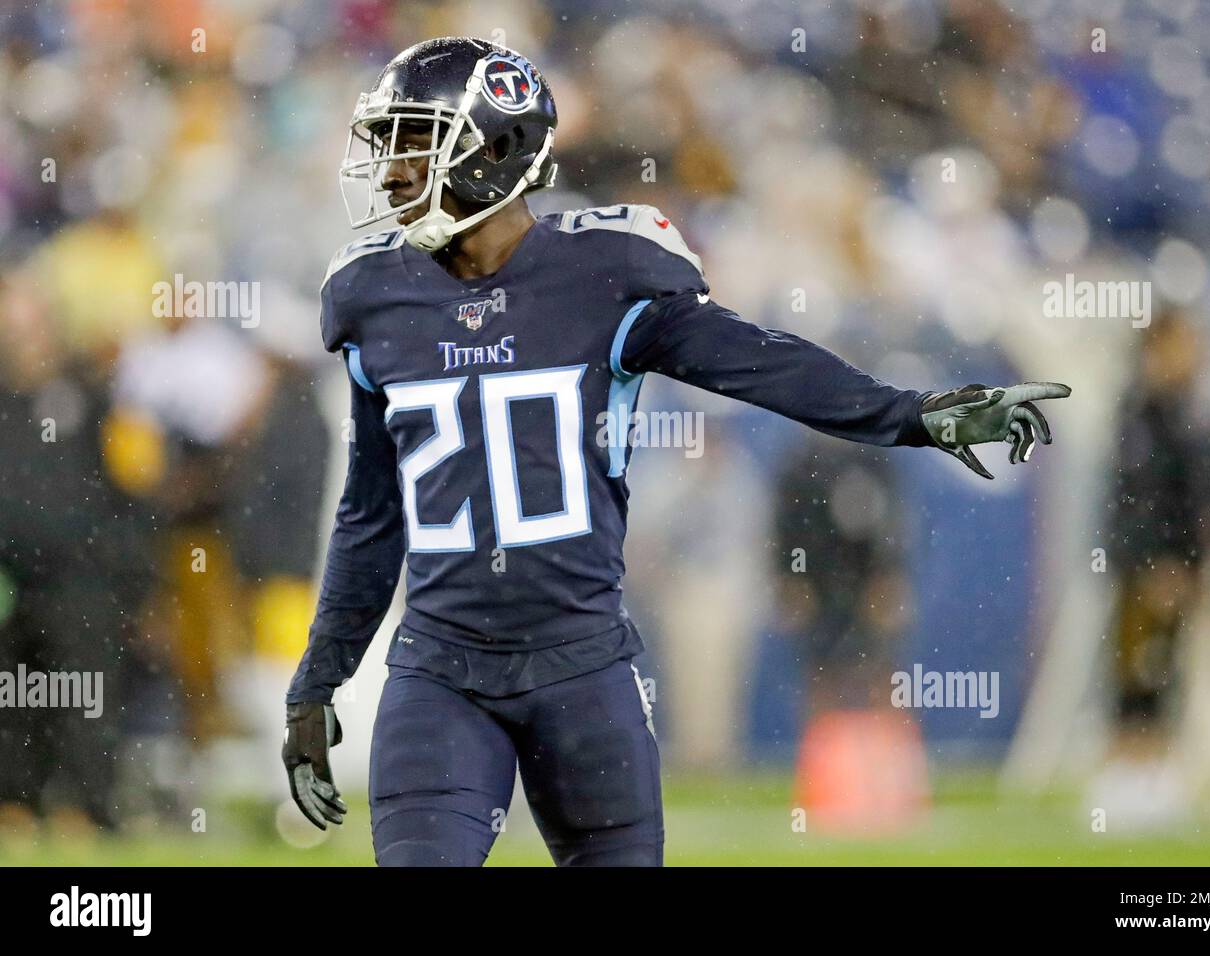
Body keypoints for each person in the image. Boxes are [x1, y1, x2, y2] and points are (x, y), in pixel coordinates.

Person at [280, 36, 1070, 866]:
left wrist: (914, 415)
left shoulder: (603, 271)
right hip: (439, 670)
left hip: (580, 671)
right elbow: (372, 517)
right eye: (388, 143)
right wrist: (319, 678)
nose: (393, 169)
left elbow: (764, 365)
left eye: (416, 141)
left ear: (493, 150)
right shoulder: (375, 296)